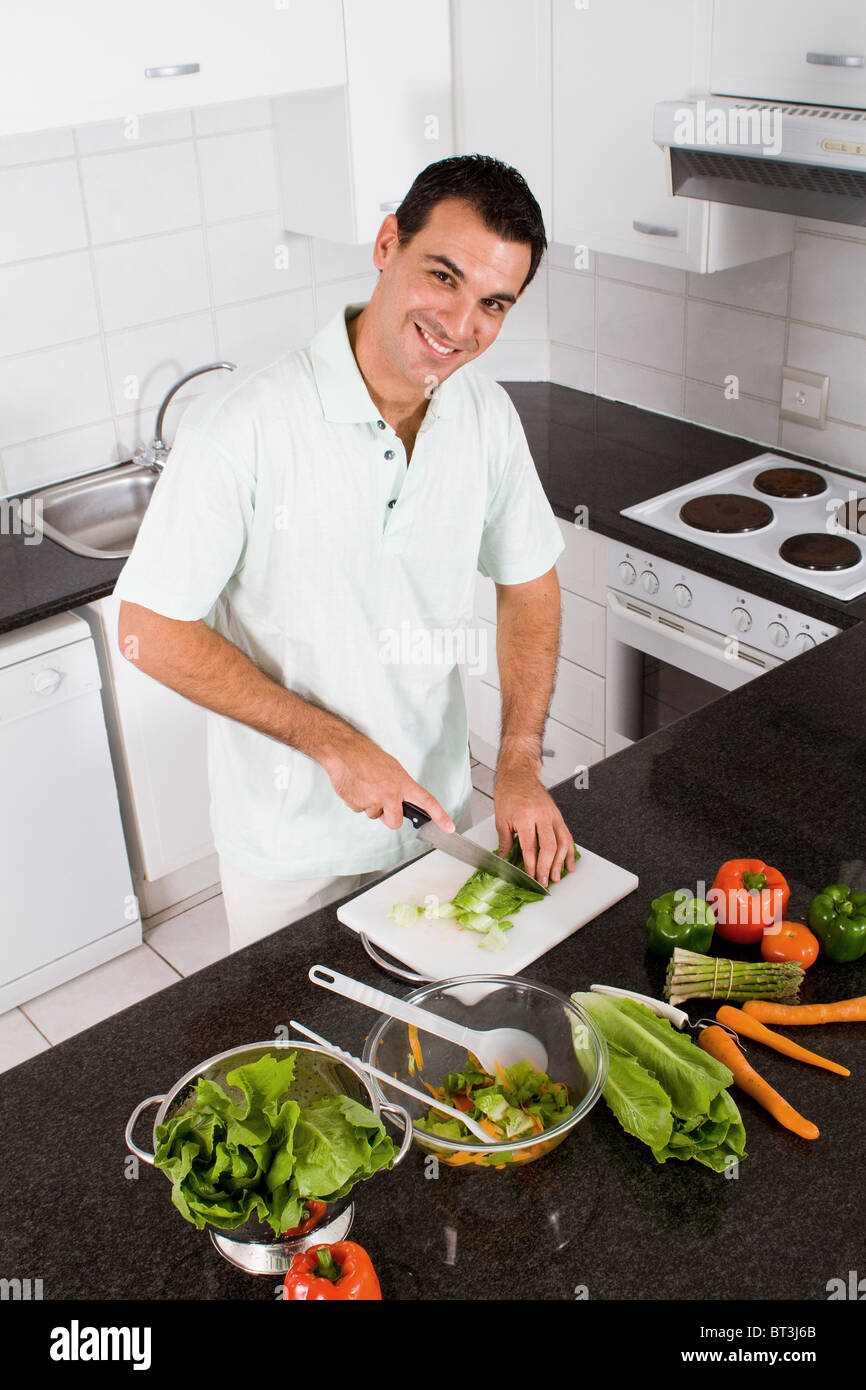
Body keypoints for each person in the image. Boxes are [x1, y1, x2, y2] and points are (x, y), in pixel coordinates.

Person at [114, 153, 576, 952]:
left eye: (493, 303)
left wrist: (520, 760)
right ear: (387, 243)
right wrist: (333, 743)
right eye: (443, 276)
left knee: (436, 1053)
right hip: (291, 854)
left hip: (434, 826)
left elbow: (530, 586)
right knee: (305, 1070)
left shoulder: (486, 416)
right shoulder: (243, 424)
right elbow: (149, 629)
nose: (461, 325)